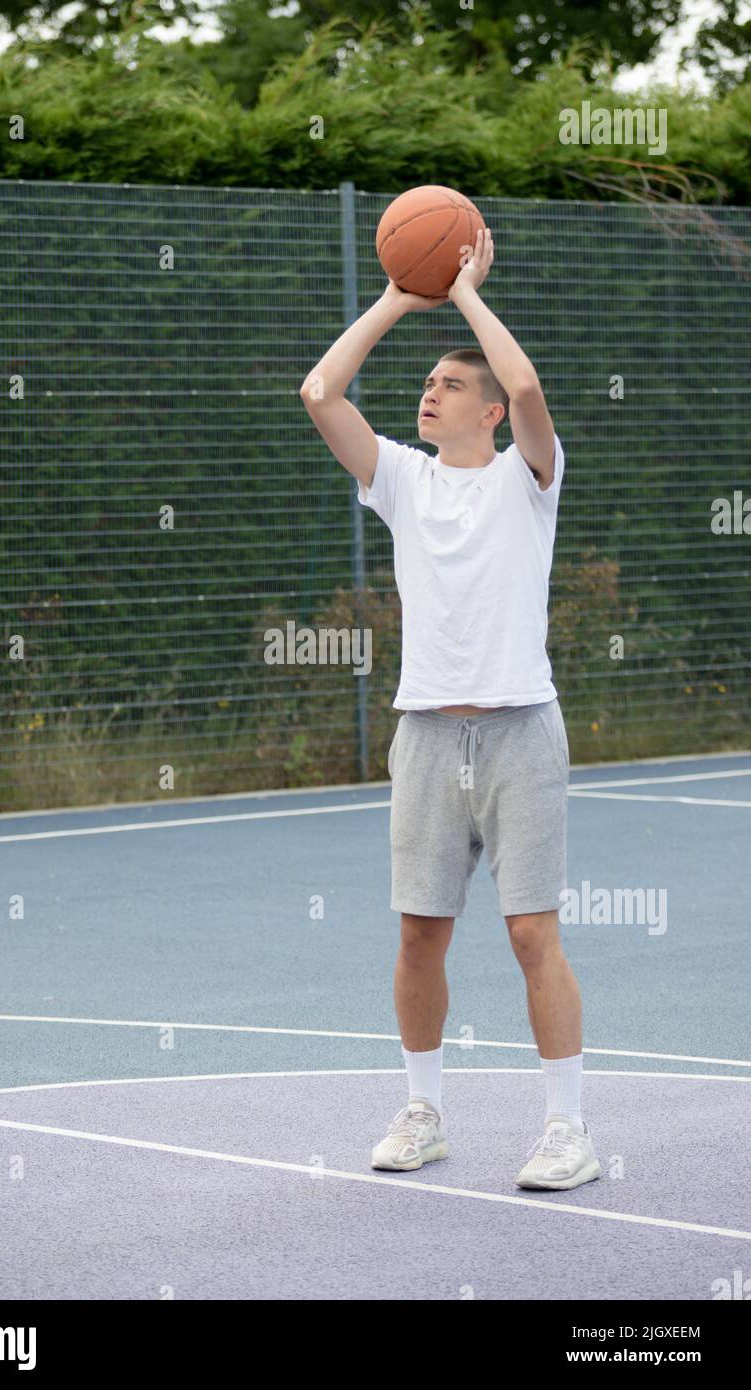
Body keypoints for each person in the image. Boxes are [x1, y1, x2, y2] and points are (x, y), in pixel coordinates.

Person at [299, 228, 600, 1191]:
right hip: (428, 731)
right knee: (419, 932)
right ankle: (424, 1109)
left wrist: (467, 292)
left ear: (490, 414)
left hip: (520, 729)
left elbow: (532, 389)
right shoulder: (401, 479)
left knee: (529, 933)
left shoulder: (529, 478)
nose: (429, 393)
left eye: (450, 386)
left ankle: (568, 1130)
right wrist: (401, 294)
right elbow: (319, 394)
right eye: (426, 383)